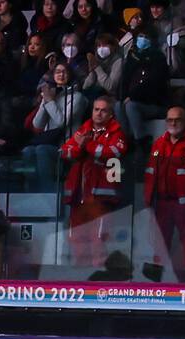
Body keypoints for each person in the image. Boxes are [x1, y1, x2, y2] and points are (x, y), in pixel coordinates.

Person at [143, 105, 185, 282]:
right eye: (170, 119)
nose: (173, 123)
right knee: (158, 245)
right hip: (162, 204)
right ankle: (156, 287)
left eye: (178, 119)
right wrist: (148, 199)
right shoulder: (159, 143)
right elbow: (150, 173)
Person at [59, 95, 128, 268]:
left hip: (101, 197)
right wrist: (83, 146)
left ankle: (98, 283)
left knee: (99, 240)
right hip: (79, 196)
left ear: (111, 114)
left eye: (103, 110)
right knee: (77, 239)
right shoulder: (84, 129)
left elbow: (113, 153)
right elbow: (65, 152)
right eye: (96, 109)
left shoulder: (117, 132)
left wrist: (86, 146)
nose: (98, 113)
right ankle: (80, 278)